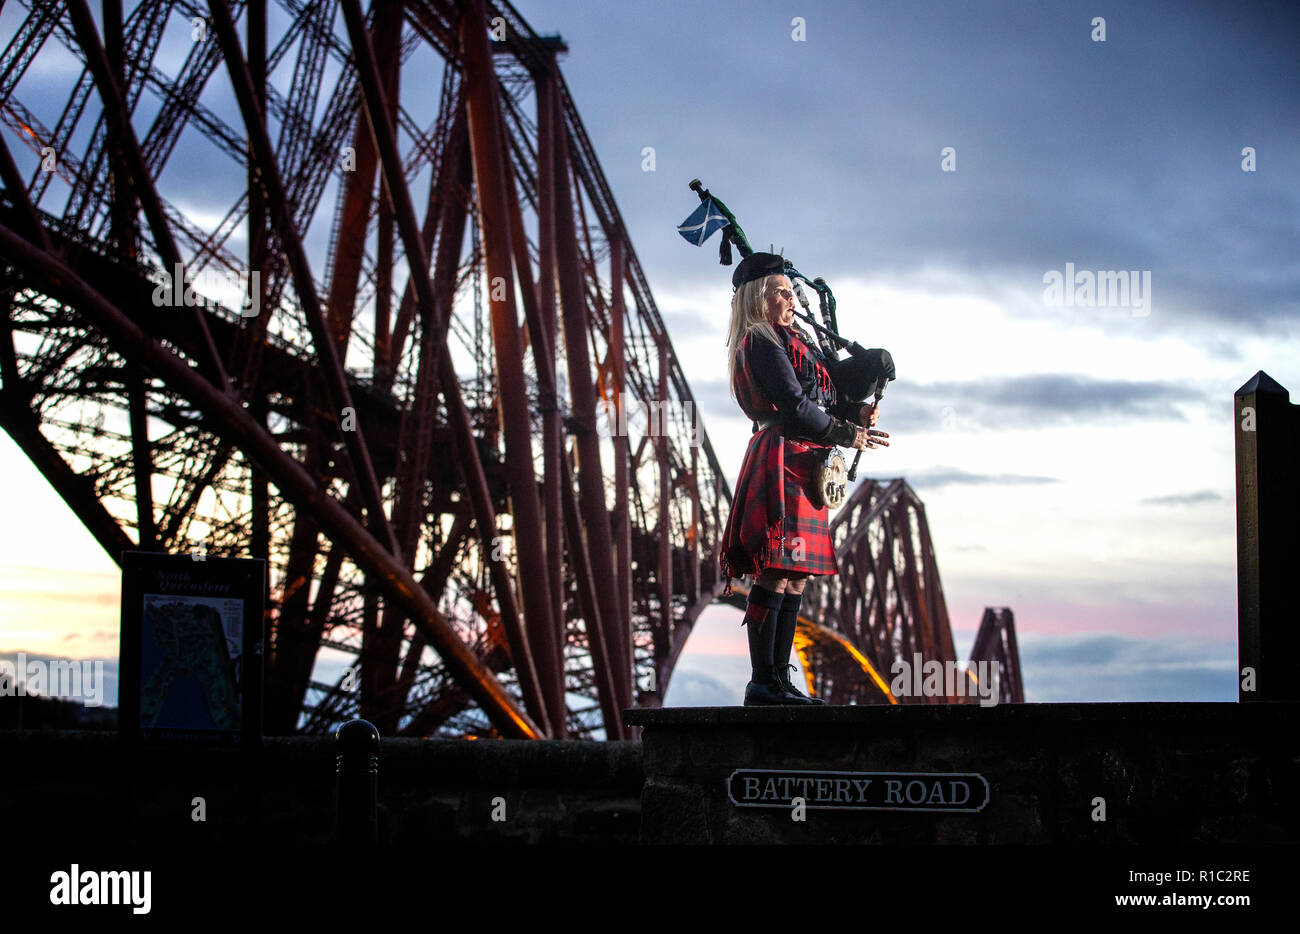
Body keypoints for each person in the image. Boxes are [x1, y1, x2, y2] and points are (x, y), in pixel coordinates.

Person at [718, 252, 889, 706]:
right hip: (783, 455)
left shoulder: (796, 344)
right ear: (760, 297)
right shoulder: (760, 342)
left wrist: (855, 414)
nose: (792, 300)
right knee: (774, 571)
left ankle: (780, 680)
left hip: (807, 462)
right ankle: (762, 683)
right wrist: (847, 434)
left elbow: (821, 399)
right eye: (782, 292)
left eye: (792, 292)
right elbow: (794, 407)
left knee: (795, 577)